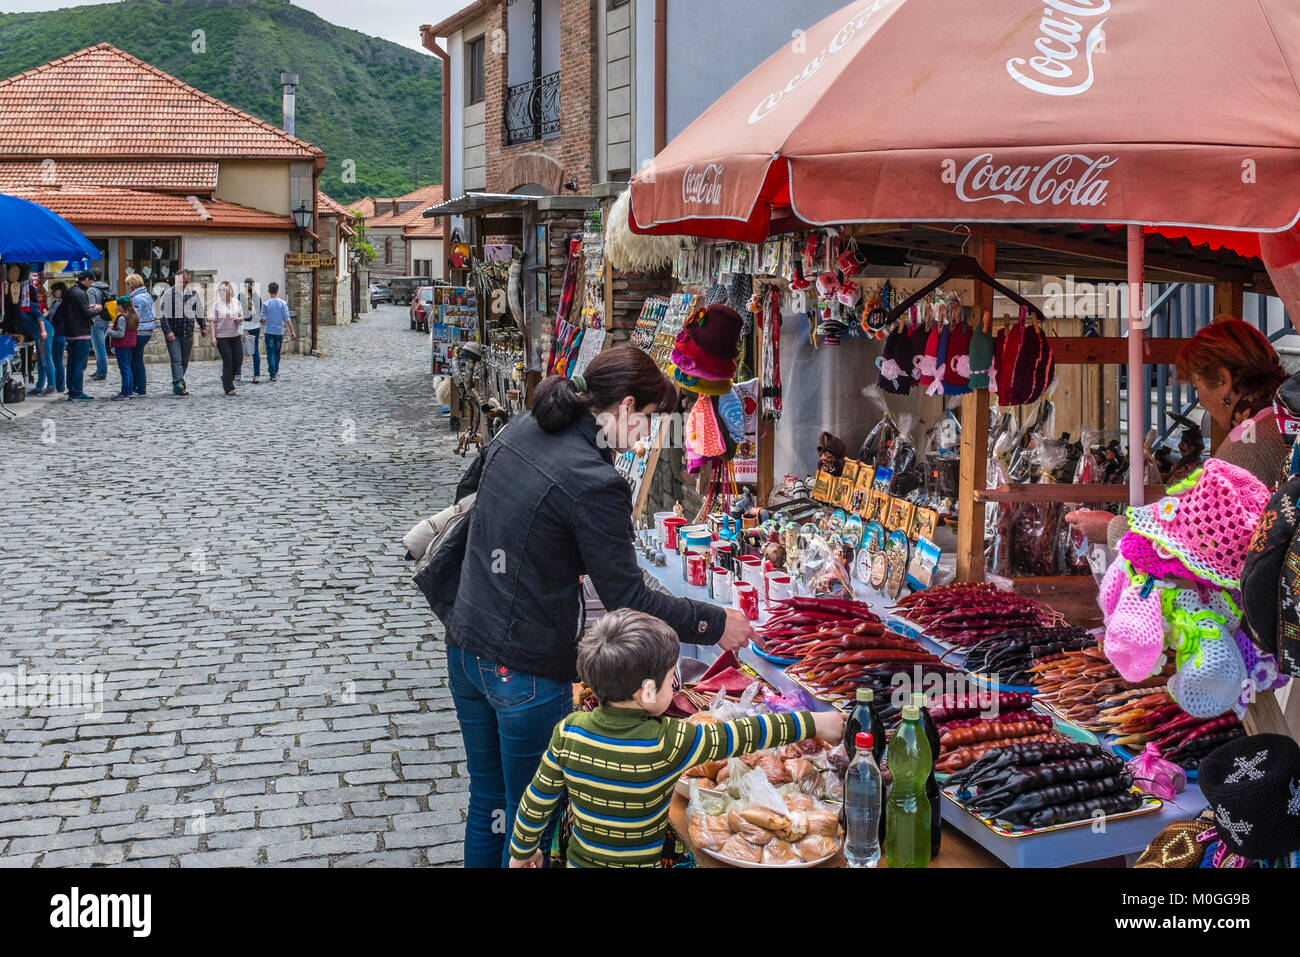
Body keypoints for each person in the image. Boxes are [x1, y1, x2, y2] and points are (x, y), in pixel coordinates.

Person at [444, 345, 761, 868]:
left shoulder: (524, 426)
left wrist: (550, 554)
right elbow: (628, 599)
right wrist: (714, 622)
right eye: (649, 420)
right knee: (528, 824)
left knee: (490, 802)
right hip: (522, 666)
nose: (648, 435)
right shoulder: (595, 481)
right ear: (625, 406)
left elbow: (471, 496)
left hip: (465, 640)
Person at [508, 609, 845, 868]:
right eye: (671, 679)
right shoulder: (670, 741)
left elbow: (537, 800)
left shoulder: (568, 731)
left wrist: (521, 852)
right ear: (647, 691)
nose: (675, 685)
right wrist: (815, 723)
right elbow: (746, 734)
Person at [1068, 317, 1291, 547]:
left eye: (1197, 385)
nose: (1200, 400)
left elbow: (1196, 544)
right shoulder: (1283, 419)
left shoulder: (1247, 444)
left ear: (1224, 380)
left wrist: (1112, 529)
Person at [157, 270, 206, 396]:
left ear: (188, 279)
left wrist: (203, 327)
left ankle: (177, 382)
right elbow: (163, 315)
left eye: (185, 280)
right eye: (181, 280)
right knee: (176, 360)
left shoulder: (193, 294)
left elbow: (199, 311)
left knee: (184, 361)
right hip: (173, 334)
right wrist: (168, 331)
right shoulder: (169, 294)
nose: (183, 283)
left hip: (187, 333)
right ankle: (179, 384)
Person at [61, 272, 102, 402]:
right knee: (80, 364)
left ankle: (71, 390)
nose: (92, 284)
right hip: (81, 332)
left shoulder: (70, 291)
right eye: (91, 281)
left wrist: (89, 307)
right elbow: (86, 313)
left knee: (72, 363)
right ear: (86, 279)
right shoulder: (81, 293)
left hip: (70, 332)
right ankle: (77, 392)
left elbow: (75, 309)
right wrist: (97, 309)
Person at [22, 273, 55, 395]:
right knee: (41, 360)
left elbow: (39, 316)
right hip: (39, 332)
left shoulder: (26, 304)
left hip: (43, 331)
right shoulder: (22, 304)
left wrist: (43, 331)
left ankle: (51, 385)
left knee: (45, 358)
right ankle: (40, 386)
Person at [209, 280, 244, 395]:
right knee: (228, 360)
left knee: (238, 360)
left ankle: (226, 377)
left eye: (223, 290)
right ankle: (229, 387)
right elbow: (212, 322)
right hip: (222, 337)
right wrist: (213, 337)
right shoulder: (216, 304)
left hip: (235, 335)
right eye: (219, 290)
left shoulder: (236, 302)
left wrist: (239, 319)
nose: (221, 292)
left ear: (229, 291)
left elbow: (241, 316)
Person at [124, 274, 156, 397]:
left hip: (140, 331)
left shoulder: (137, 298)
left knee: (135, 360)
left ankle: (139, 387)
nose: (128, 287)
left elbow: (134, 316)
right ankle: (138, 386)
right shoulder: (146, 295)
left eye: (128, 285)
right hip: (146, 330)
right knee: (137, 359)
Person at [259, 282, 294, 382]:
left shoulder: (266, 304)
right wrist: (292, 331)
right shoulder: (283, 303)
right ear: (277, 291)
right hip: (279, 332)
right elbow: (287, 318)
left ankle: (272, 373)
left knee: (270, 353)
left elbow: (263, 320)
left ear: (268, 291)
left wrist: (261, 320)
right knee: (277, 353)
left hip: (269, 332)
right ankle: (275, 371)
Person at [107, 294, 138, 400]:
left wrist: (109, 331)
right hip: (129, 345)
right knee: (128, 368)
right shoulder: (133, 316)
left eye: (118, 305)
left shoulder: (121, 318)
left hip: (122, 346)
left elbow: (120, 334)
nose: (117, 307)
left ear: (121, 306)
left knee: (124, 369)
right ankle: (129, 391)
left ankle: (125, 393)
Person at [87, 269, 112, 382]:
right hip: (106, 320)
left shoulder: (91, 290)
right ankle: (99, 370)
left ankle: (101, 373)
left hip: (96, 321)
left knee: (99, 349)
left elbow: (91, 307)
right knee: (100, 347)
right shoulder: (106, 287)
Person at [239, 277, 263, 383]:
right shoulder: (258, 296)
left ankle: (238, 373)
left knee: (239, 350)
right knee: (255, 351)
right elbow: (260, 311)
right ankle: (256, 375)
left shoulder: (240, 296)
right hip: (255, 325)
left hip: (244, 325)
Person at [47, 282, 67, 394]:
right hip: (54, 333)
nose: (54, 292)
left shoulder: (64, 304)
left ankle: (60, 385)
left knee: (58, 361)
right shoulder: (56, 303)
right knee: (55, 360)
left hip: (59, 334)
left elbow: (59, 320)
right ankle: (57, 384)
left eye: (55, 290)